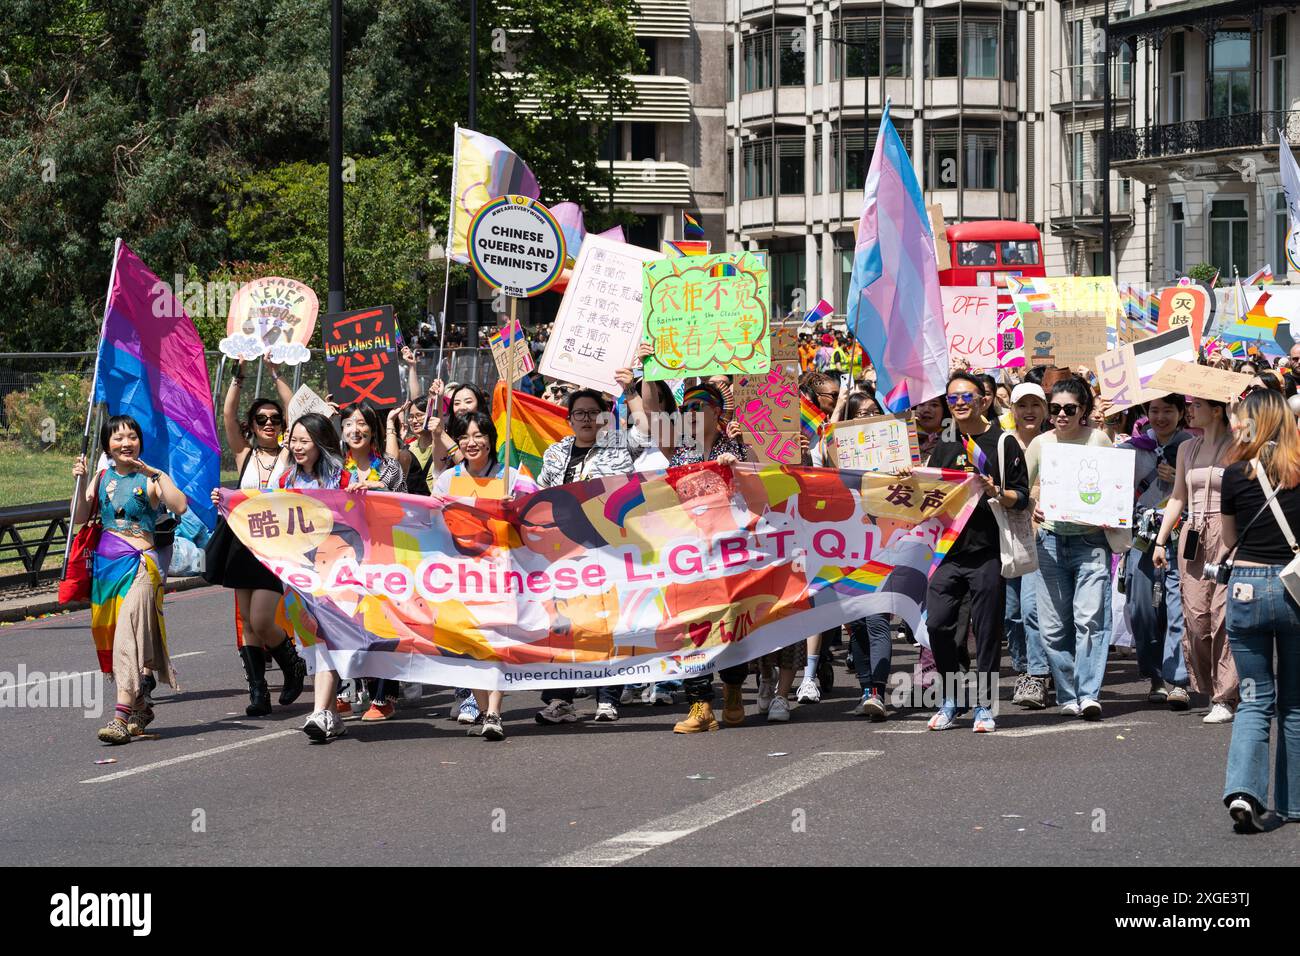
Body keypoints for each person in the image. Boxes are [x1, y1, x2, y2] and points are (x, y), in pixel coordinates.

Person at [534, 375, 644, 724]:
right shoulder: (555, 453)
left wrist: (630, 390)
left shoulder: (619, 444)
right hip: (563, 552)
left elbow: (648, 431)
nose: (585, 419)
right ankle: (560, 699)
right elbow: (540, 494)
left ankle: (607, 697)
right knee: (564, 624)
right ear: (568, 419)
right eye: (578, 413)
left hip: (607, 547)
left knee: (604, 622)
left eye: (592, 412)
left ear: (604, 417)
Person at [924, 372, 1030, 732]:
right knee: (937, 624)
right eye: (952, 399)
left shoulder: (1003, 443)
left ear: (983, 400)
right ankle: (954, 696)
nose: (959, 405)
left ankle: (984, 705)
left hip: (988, 551)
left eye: (966, 397)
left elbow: (1023, 498)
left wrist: (996, 491)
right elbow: (931, 496)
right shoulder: (944, 444)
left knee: (987, 631)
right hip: (947, 552)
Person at [73, 416, 188, 744]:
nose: (126, 443)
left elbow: (179, 504)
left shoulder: (149, 479)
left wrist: (156, 473)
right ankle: (140, 707)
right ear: (107, 445)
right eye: (118, 438)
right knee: (115, 638)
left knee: (126, 637)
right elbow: (80, 516)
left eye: (132, 437)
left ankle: (120, 717)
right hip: (107, 570)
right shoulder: (100, 476)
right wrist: (80, 481)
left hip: (141, 567)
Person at [1217, 387, 1300, 831]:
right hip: (1294, 589)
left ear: (1255, 422)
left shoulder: (1234, 474)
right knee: (1295, 702)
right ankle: (1293, 802)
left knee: (1253, 698)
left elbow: (1230, 541)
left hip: (1246, 587)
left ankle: (1245, 793)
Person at [209, 367, 309, 717]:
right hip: (241, 544)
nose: (269, 424)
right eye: (261, 419)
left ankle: (293, 665)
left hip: (273, 545)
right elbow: (227, 415)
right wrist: (238, 376)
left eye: (275, 420)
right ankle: (258, 692)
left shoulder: (287, 456)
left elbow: (299, 412)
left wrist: (277, 373)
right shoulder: (244, 454)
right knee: (248, 623)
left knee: (264, 619)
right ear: (251, 425)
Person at [432, 411, 538, 741]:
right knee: (471, 646)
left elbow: (535, 516)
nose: (472, 442)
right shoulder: (448, 480)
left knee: (495, 645)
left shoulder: (511, 477)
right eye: (464, 436)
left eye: (479, 435)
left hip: (501, 574)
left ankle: (493, 712)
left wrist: (516, 506)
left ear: (491, 439)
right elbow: (431, 519)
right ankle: (484, 707)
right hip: (461, 575)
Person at [668, 384, 759, 733]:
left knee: (731, 623)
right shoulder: (681, 455)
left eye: (699, 408)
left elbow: (759, 492)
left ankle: (733, 691)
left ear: (717, 413)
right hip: (692, 554)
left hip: (731, 555)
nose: (691, 415)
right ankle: (700, 704)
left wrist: (738, 466)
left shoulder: (734, 447)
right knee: (695, 628)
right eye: (686, 409)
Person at [1025, 378, 1116, 720]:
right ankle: (1067, 692)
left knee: (1090, 620)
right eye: (1056, 408)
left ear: (1084, 411)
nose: (1061, 415)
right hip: (1049, 542)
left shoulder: (1098, 441)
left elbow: (1114, 488)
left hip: (1090, 542)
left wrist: (1110, 513)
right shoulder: (1039, 444)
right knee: (1051, 627)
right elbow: (1020, 488)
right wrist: (1031, 504)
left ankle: (1089, 693)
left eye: (1070, 408)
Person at [1153, 394, 1240, 723]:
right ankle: (1215, 686)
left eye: (1197, 406)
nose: (1190, 411)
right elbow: (1178, 496)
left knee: (1223, 617)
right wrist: (1160, 541)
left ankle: (1225, 695)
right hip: (1192, 534)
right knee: (1195, 619)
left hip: (1228, 532)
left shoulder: (1237, 446)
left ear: (1217, 411)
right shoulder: (1187, 448)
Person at [1119, 395, 1193, 711]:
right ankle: (1154, 677)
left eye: (1167, 410)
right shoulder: (1130, 449)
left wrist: (1180, 479)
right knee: (1141, 607)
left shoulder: (1193, 447)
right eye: (1154, 410)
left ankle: (1178, 681)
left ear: (1181, 413)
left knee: (1177, 607)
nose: (1160, 417)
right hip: (1142, 537)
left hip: (1181, 535)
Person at [338, 402, 408, 721]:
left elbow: (405, 506)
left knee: (384, 623)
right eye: (349, 423)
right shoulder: (335, 468)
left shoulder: (390, 467)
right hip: (345, 558)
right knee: (347, 623)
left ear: (373, 429)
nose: (356, 429)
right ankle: (346, 688)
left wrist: (376, 489)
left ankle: (385, 695)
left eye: (362, 423)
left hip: (384, 556)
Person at [1006, 383, 1051, 710]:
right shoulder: (1001, 444)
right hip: (1005, 538)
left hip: (1041, 538)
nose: (1029, 411)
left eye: (1036, 404)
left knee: (1033, 609)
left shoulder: (1054, 443)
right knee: (1012, 613)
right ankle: (1023, 669)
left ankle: (1037, 675)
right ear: (1012, 410)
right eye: (1023, 405)